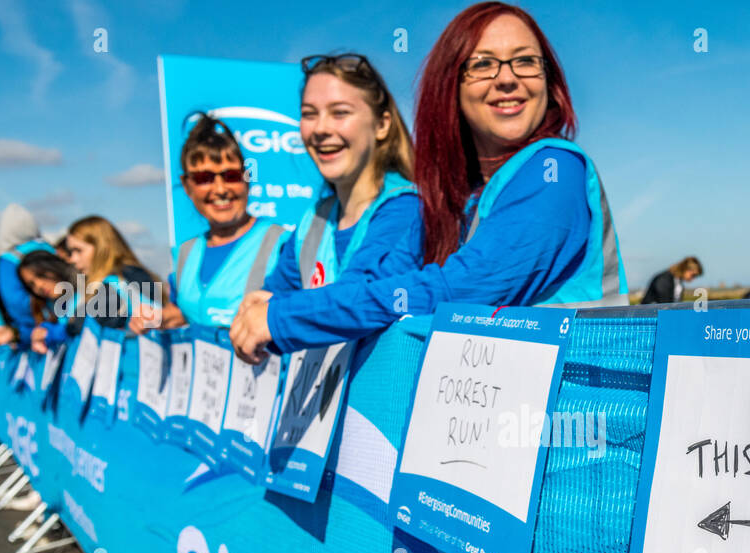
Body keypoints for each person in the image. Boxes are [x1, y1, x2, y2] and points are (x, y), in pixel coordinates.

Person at [231, 2, 628, 362]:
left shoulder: (555, 171)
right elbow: (375, 281)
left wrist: (284, 318)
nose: (507, 79)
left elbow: (464, 290)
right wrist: (279, 307)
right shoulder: (457, 198)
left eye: (525, 62)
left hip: (579, 428)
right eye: (483, 64)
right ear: (450, 87)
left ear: (549, 79)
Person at [260, 53, 419, 302]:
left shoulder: (407, 210)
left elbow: (356, 302)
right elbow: (271, 297)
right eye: (310, 114)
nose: (321, 129)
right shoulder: (313, 223)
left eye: (340, 113)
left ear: (382, 125)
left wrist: (273, 317)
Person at [139, 114, 288, 333]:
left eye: (231, 175)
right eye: (204, 178)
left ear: (247, 178)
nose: (220, 189)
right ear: (187, 185)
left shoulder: (282, 244)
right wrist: (155, 318)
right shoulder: (185, 253)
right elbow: (187, 312)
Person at [63, 216, 172, 333]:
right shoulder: (113, 279)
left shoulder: (124, 279)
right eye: (71, 252)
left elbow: (82, 326)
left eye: (78, 250)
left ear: (102, 247)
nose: (73, 259)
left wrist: (59, 331)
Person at [0, 205, 55, 346]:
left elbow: (14, 302)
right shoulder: (50, 248)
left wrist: (17, 332)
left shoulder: (8, 260)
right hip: (59, 326)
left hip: (32, 337)